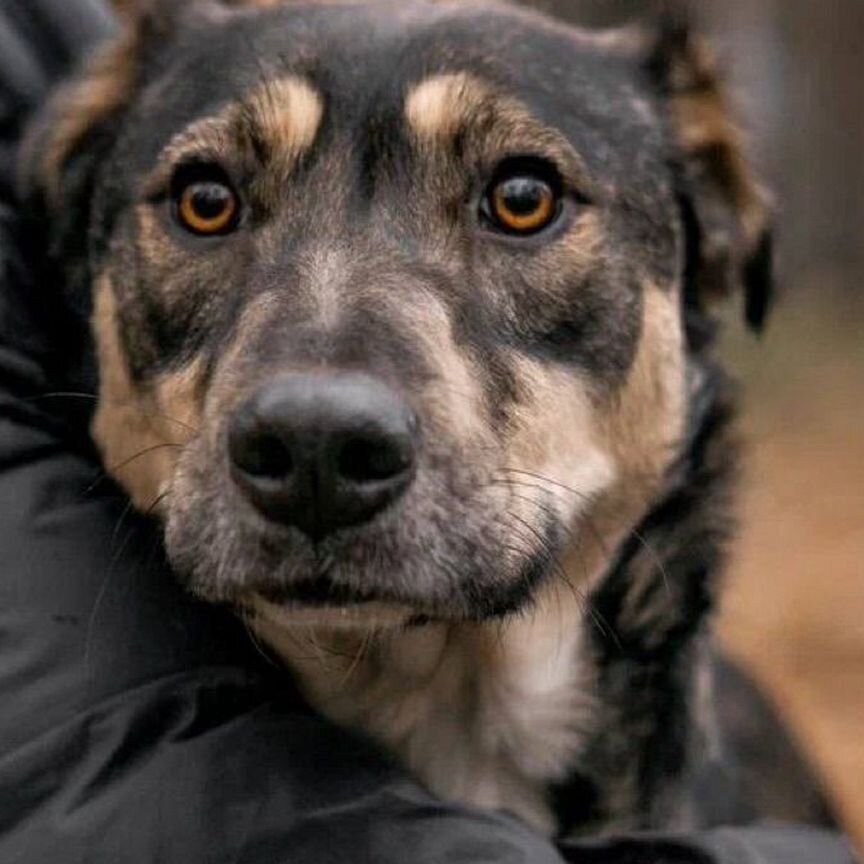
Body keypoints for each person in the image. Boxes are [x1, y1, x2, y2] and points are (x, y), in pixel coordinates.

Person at [0, 1, 856, 861]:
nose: (320, 415)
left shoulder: (785, 810)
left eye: (522, 200)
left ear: (706, 256)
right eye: (208, 201)